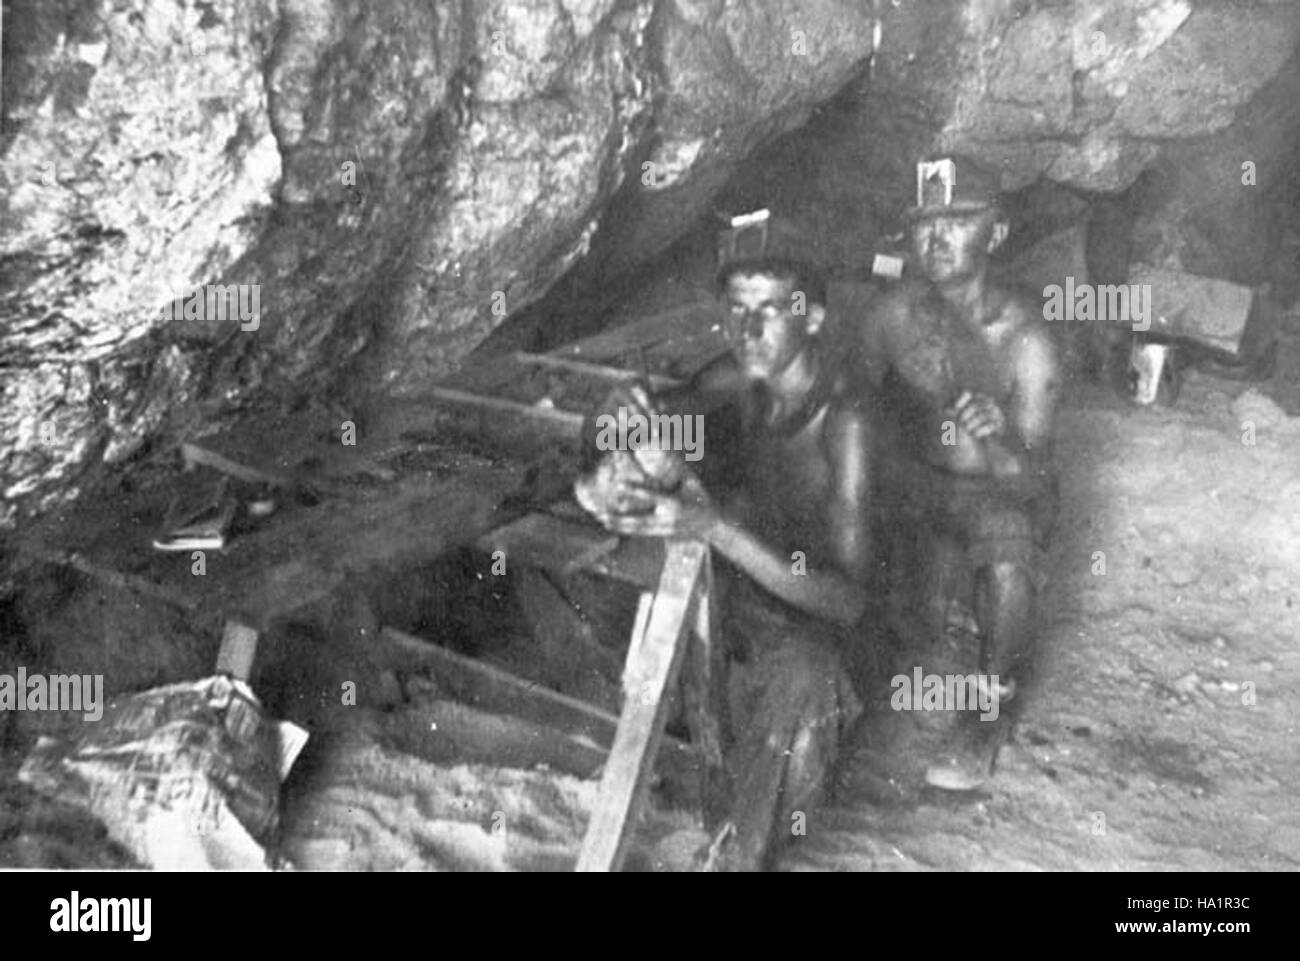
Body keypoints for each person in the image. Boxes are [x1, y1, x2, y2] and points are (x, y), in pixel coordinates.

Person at [574, 212, 875, 870]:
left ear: (814, 318)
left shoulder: (848, 420)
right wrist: (606, 443)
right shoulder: (735, 384)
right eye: (737, 310)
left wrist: (715, 528)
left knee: (804, 670)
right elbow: (641, 433)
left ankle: (735, 854)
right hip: (750, 611)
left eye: (771, 310)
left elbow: (850, 603)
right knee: (620, 558)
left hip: (823, 642)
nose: (749, 330)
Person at [858, 158, 1061, 790]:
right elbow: (848, 411)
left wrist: (997, 438)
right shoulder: (889, 316)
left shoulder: (1025, 339)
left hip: (994, 490)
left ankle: (986, 718)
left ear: (995, 235)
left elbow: (1033, 483)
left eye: (958, 221)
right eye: (924, 224)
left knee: (1008, 545)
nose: (937, 239)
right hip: (915, 483)